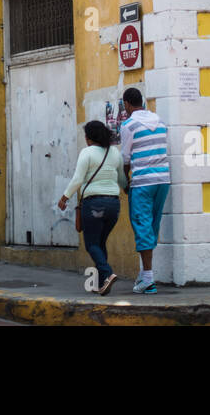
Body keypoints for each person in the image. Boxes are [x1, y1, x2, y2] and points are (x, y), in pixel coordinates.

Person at [57, 120, 127, 296]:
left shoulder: (86, 153)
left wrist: (65, 196)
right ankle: (102, 282)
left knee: (91, 244)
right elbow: (121, 180)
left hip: (94, 204)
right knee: (100, 243)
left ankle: (108, 273)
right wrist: (129, 190)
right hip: (113, 205)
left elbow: (78, 179)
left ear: (89, 138)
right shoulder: (115, 153)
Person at [119, 87, 168, 294]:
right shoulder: (161, 123)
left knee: (141, 226)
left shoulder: (128, 125)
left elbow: (126, 159)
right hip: (163, 181)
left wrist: (126, 181)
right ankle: (144, 274)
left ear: (128, 104)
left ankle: (148, 278)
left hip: (142, 183)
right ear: (143, 102)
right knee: (152, 226)